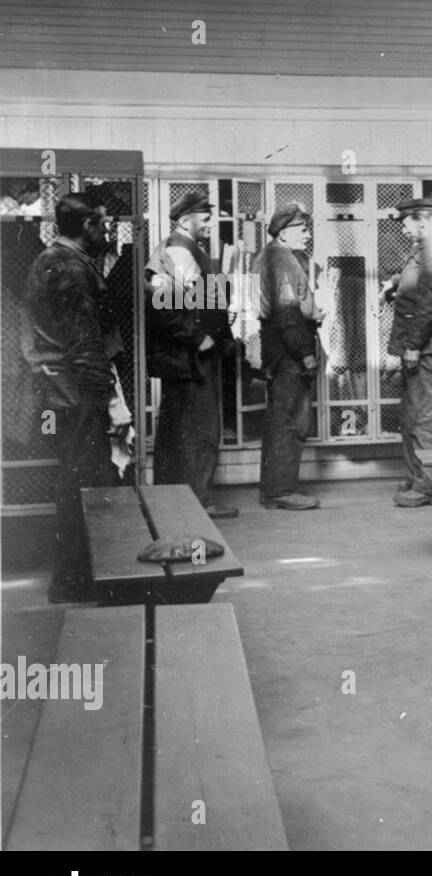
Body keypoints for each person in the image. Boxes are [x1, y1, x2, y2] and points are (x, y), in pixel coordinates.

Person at [21, 194, 125, 602]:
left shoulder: (49, 261)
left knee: (74, 479)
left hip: (60, 391)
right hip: (78, 391)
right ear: (86, 226)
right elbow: (85, 344)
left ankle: (75, 576)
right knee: (82, 481)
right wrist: (110, 405)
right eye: (103, 223)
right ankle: (72, 580)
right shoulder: (70, 269)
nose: (107, 231)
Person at [145, 193, 238, 518]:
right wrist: (199, 337)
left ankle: (177, 499)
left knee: (179, 427)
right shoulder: (178, 251)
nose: (211, 223)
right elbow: (163, 307)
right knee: (198, 429)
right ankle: (198, 501)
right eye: (206, 218)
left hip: (188, 356)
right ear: (185, 221)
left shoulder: (182, 249)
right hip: (192, 357)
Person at [384, 197, 432, 507]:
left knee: (424, 415)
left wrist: (413, 345)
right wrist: (395, 282)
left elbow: (430, 301)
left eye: (406, 222)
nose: (403, 229)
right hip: (419, 343)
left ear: (423, 220)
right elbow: (420, 283)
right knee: (414, 413)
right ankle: (420, 477)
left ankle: (430, 485)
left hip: (426, 345)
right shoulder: (425, 246)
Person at [254, 204, 322, 510]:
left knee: (278, 419)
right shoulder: (282, 260)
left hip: (275, 344)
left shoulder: (268, 256)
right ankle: (281, 490)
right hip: (288, 348)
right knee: (291, 420)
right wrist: (306, 353)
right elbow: (287, 312)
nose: (308, 235)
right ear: (283, 233)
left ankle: (273, 488)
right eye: (302, 229)